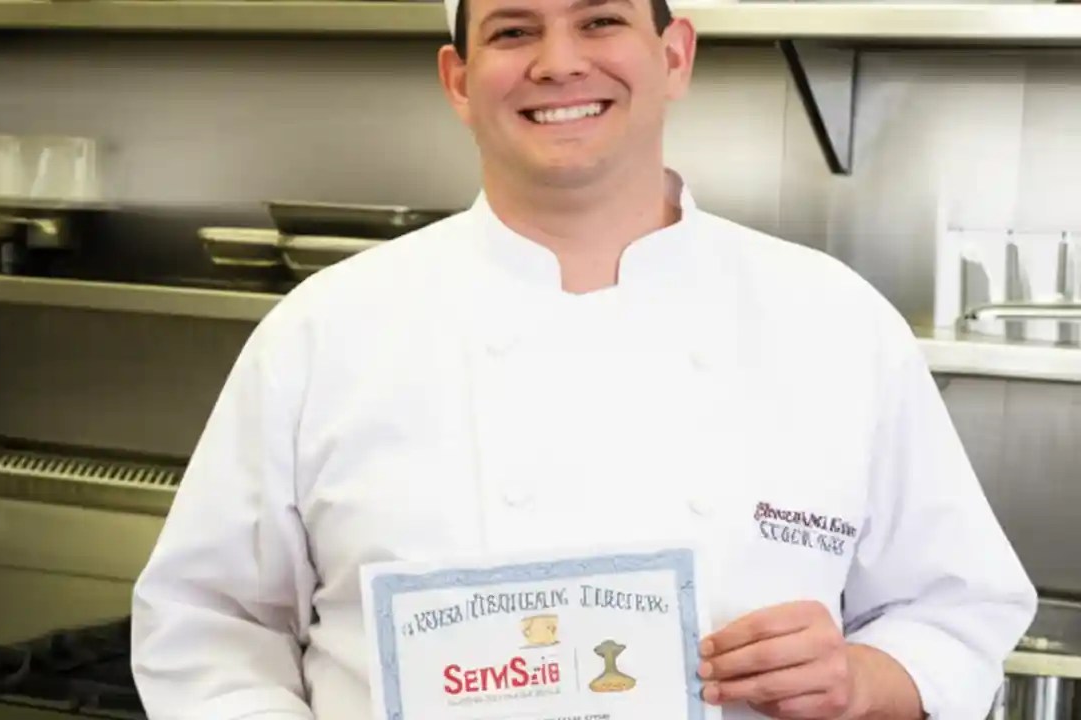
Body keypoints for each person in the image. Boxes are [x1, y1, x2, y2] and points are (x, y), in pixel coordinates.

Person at [130, 0, 1038, 715]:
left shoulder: (834, 321)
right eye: (513, 30)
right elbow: (208, 624)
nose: (559, 62)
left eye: (600, 20)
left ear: (674, 55)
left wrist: (863, 679)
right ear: (458, 79)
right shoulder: (325, 330)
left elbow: (959, 610)